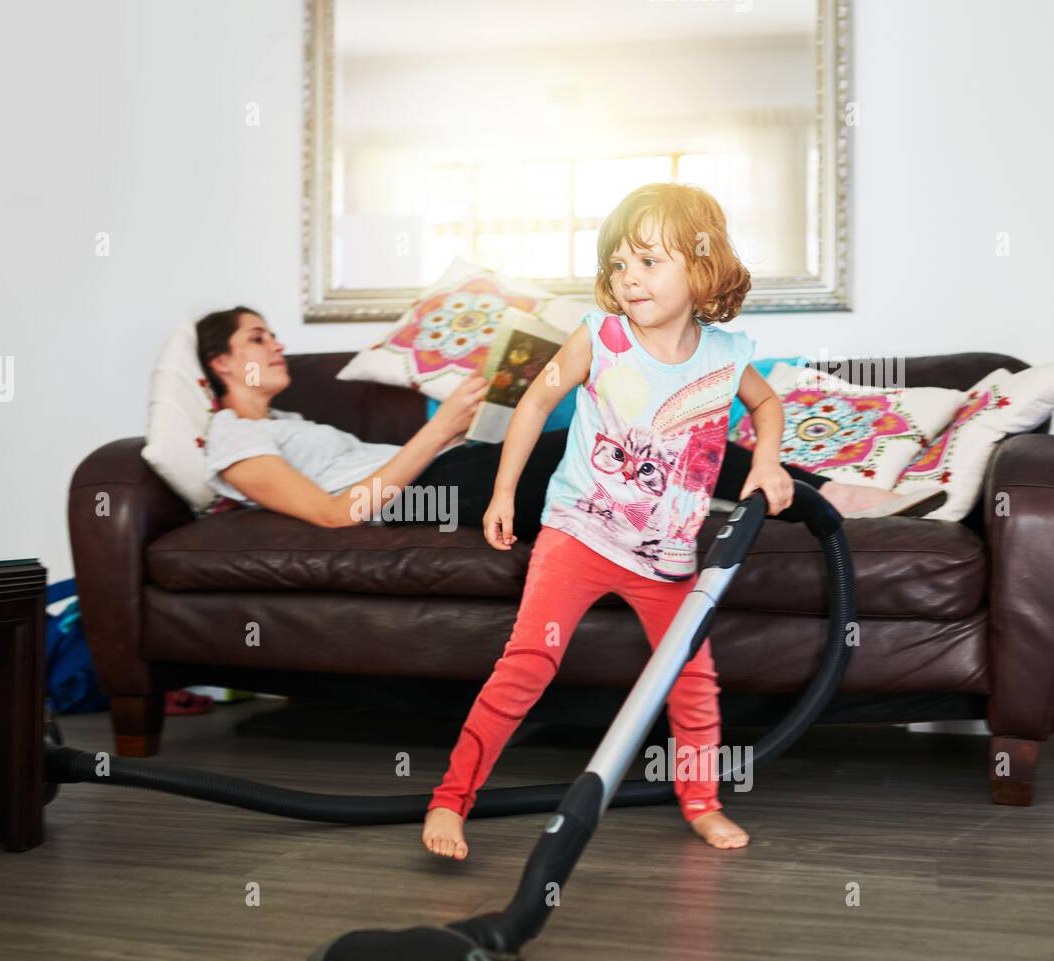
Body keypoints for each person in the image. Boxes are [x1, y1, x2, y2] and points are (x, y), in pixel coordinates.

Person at [420, 183, 816, 862]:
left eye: (649, 261)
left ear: (702, 265)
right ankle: (451, 800)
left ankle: (701, 802)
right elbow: (531, 404)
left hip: (666, 553)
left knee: (689, 676)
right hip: (578, 532)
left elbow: (769, 405)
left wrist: (767, 465)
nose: (629, 277)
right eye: (619, 264)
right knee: (528, 664)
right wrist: (503, 493)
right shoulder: (599, 338)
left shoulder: (724, 355)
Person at [197, 314, 943, 531]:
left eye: (273, 331)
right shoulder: (233, 436)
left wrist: (463, 425)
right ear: (222, 367)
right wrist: (438, 435)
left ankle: (824, 494)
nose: (277, 343)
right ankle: (835, 497)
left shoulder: (292, 419)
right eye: (257, 338)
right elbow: (334, 513)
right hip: (431, 496)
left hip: (447, 469)